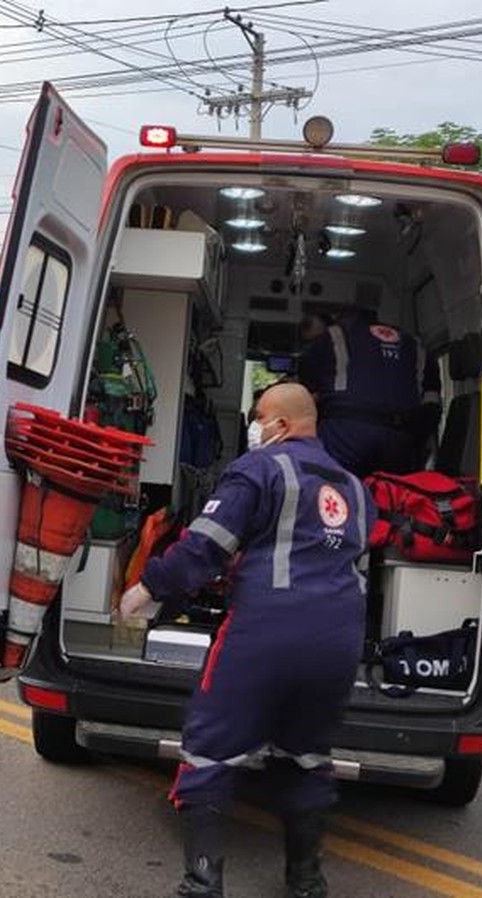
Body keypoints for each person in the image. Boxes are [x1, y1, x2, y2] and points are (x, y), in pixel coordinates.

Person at [120, 383, 372, 898]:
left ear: (280, 423)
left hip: (267, 632)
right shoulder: (354, 487)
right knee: (306, 754)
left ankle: (202, 884)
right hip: (340, 639)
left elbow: (205, 548)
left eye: (259, 416)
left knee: (209, 751)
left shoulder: (259, 469)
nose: (254, 425)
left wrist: (146, 587)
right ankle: (305, 882)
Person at [297, 305, 441, 478]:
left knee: (339, 491)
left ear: (343, 320)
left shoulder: (331, 337)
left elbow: (306, 400)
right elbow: (432, 405)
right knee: (394, 495)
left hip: (345, 436)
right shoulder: (416, 344)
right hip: (400, 441)